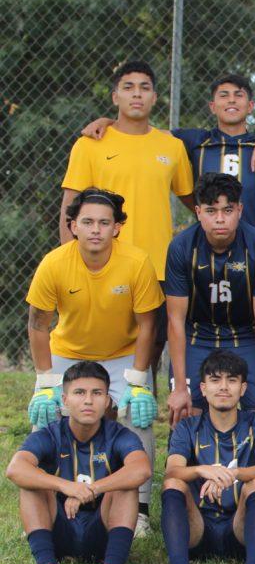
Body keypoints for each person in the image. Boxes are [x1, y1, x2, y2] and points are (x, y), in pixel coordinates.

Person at [27, 189, 163, 536]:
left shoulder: (136, 262)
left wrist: (138, 380)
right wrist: (45, 383)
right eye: (87, 222)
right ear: (73, 226)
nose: (96, 230)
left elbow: (148, 325)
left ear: (117, 227)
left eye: (104, 223)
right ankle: (42, 505)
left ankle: (140, 510)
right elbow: (38, 325)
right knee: (43, 414)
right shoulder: (54, 263)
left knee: (139, 413)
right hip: (68, 352)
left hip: (123, 353)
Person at [6, 361, 151, 564]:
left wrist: (92, 489)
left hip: (102, 532)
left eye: (97, 393)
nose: (88, 401)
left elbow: (141, 469)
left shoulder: (119, 435)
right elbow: (15, 469)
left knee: (125, 484)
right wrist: (66, 487)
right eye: (79, 392)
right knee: (32, 483)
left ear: (107, 400)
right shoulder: (50, 434)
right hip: (59, 530)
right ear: (64, 400)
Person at [82, 74, 255, 236]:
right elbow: (140, 131)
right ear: (212, 106)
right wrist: (108, 122)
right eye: (224, 95)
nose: (231, 100)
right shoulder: (195, 140)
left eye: (238, 95)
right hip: (208, 247)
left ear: (250, 106)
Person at [160, 350, 255, 564]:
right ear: (203, 389)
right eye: (215, 380)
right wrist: (202, 470)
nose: (223, 387)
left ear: (243, 388)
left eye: (232, 380)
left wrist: (231, 474)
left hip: (240, 528)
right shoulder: (187, 427)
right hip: (197, 529)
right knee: (173, 484)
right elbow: (172, 470)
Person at [165, 173, 255, 424]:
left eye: (227, 210)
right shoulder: (181, 248)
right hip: (198, 335)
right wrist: (180, 388)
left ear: (239, 210)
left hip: (245, 334)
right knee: (185, 412)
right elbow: (175, 320)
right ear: (198, 212)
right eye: (211, 210)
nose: (219, 218)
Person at [60, 60, 195, 273]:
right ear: (115, 97)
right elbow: (69, 210)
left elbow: (195, 203)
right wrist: (71, 265)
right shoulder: (89, 144)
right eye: (128, 87)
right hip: (104, 268)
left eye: (144, 87)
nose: (137, 94)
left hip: (157, 267)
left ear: (154, 98)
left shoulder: (173, 147)